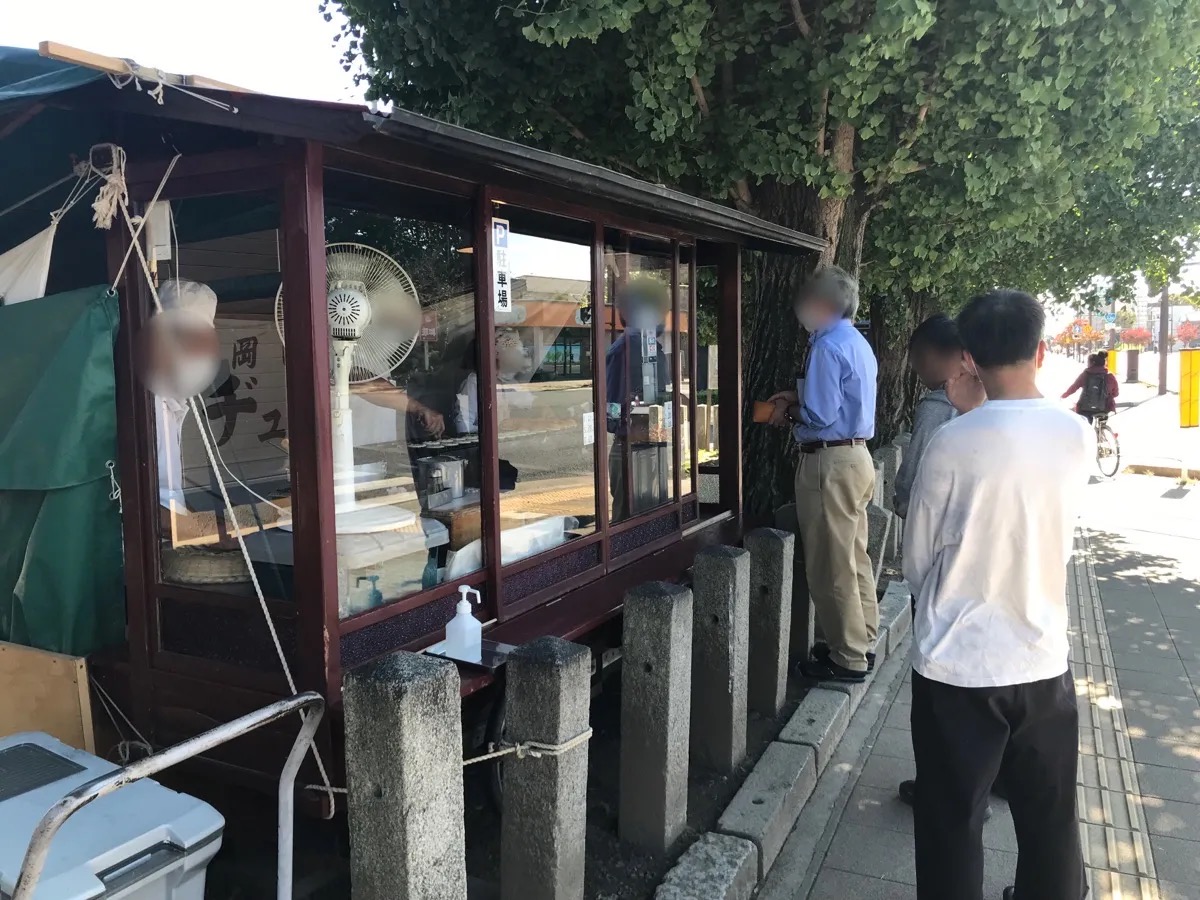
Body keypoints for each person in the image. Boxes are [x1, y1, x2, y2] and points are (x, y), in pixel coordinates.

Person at [904, 289, 1092, 900]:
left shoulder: (951, 440)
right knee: (1050, 820)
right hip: (1041, 657)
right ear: (1040, 350)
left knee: (952, 820)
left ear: (968, 359)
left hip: (956, 663)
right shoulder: (1075, 434)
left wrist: (966, 413)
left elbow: (916, 560)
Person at [768, 266, 878, 683]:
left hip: (828, 462)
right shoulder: (855, 342)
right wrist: (799, 396)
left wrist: (787, 410)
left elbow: (820, 413)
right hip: (857, 458)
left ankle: (846, 656)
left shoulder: (827, 348)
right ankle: (862, 640)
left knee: (830, 562)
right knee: (854, 556)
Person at [606, 278, 672, 522]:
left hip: (649, 440)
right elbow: (611, 405)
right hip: (632, 443)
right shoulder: (624, 349)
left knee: (645, 513)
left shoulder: (650, 347)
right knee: (630, 516)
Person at [892, 314, 964, 520]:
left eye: (916, 358)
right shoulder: (988, 399)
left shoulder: (936, 406)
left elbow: (916, 462)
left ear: (929, 354)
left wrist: (903, 500)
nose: (915, 368)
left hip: (933, 517)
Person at [1062, 351, 1118, 423]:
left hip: (1085, 408)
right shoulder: (1110, 377)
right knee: (1103, 419)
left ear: (1091, 363)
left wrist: (1064, 395)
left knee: (1086, 427)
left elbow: (1074, 387)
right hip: (1104, 408)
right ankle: (1102, 429)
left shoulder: (1085, 374)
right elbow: (1116, 393)